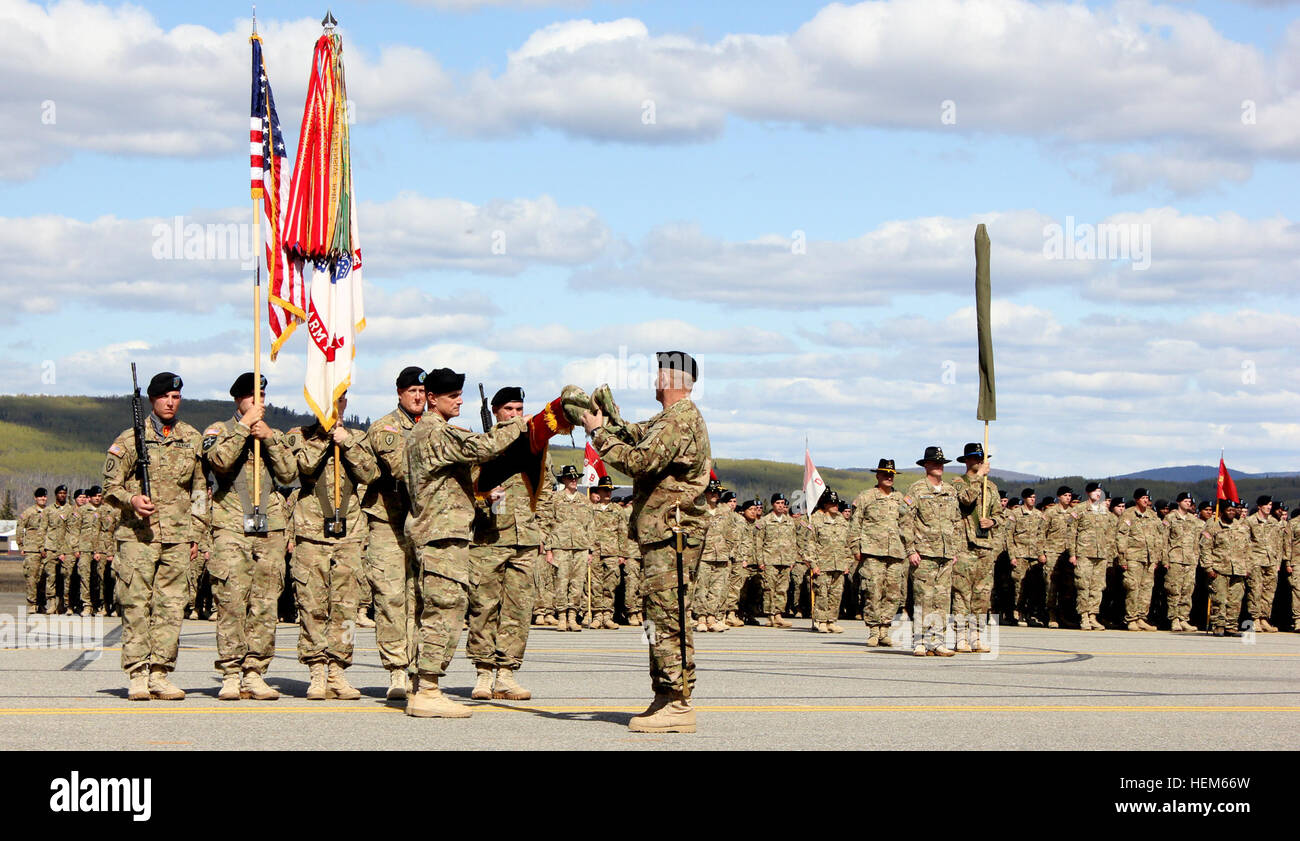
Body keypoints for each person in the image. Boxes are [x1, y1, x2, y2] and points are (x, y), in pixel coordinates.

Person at [582, 350, 712, 733]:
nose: (655, 380)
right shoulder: (667, 419)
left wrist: (598, 434)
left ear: (673, 378)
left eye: (659, 373)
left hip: (674, 534)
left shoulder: (682, 419)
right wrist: (611, 420)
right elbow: (638, 435)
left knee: (670, 615)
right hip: (660, 533)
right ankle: (664, 693)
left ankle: (679, 701)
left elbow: (640, 461)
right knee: (656, 615)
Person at [403, 367, 529, 718]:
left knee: (432, 609)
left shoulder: (421, 432)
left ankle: (421, 687)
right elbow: (483, 446)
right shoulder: (435, 433)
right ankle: (428, 689)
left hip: (436, 532)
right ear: (432, 399)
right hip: (442, 535)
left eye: (460, 395)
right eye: (452, 396)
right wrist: (518, 426)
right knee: (444, 609)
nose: (459, 401)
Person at [101, 371, 206, 701]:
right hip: (137, 537)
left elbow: (201, 489)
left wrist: (197, 534)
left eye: (176, 397)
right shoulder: (131, 439)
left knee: (172, 607)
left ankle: (160, 672)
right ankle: (137, 673)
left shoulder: (192, 438)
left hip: (177, 536)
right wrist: (131, 500)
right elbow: (109, 487)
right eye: (165, 397)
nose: (170, 402)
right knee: (136, 603)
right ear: (152, 399)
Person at [202, 372, 299, 701]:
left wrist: (269, 438)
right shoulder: (220, 430)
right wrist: (244, 427)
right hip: (231, 524)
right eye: (253, 397)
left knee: (265, 602)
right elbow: (219, 462)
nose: (260, 403)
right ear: (238, 399)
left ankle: (255, 671)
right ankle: (230, 672)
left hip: (269, 526)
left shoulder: (275, 434)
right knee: (231, 599)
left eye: (263, 397)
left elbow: (289, 474)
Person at [288, 392, 380, 701]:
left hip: (349, 534)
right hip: (311, 533)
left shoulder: (358, 438)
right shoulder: (299, 436)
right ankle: (316, 670)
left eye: (339, 402)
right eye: (327, 402)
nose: (334, 407)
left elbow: (371, 473)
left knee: (347, 608)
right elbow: (302, 469)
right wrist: (326, 438)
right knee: (311, 606)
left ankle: (338, 670)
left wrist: (347, 442)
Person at [468, 385, 551, 701]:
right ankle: (484, 672)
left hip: (525, 539)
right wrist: (485, 498)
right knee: (484, 607)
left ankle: (506, 673)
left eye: (519, 410)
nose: (515, 416)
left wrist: (541, 532)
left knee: (518, 609)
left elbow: (543, 493)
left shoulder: (532, 447)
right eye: (508, 411)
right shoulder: (480, 447)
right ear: (497, 413)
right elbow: (464, 494)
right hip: (489, 538)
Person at [360, 366, 426, 699]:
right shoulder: (385, 428)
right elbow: (403, 467)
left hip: (424, 525)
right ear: (399, 393)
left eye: (422, 391)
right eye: (411, 390)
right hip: (389, 523)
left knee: (421, 599)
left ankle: (419, 668)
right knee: (391, 598)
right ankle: (397, 670)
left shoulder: (437, 427)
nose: (418, 396)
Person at [901, 447, 964, 656]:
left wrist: (954, 549)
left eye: (941, 463)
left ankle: (937, 641)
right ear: (926, 465)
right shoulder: (917, 490)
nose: (939, 466)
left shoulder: (950, 490)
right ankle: (919, 640)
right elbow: (905, 521)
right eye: (935, 463)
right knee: (923, 598)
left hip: (945, 554)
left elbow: (956, 521)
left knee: (942, 599)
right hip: (924, 553)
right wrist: (911, 550)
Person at [850, 459, 908, 647]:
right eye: (885, 473)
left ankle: (885, 629)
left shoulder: (900, 498)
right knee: (872, 591)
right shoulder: (866, 497)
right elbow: (855, 524)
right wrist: (855, 548)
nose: (889, 477)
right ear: (877, 475)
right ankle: (874, 630)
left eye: (891, 474)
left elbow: (907, 524)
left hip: (896, 553)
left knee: (893, 594)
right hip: (872, 552)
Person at [948, 443, 1000, 651]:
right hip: (964, 546)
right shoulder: (958, 482)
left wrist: (993, 522)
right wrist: (979, 476)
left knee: (982, 594)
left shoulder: (992, 487)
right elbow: (966, 500)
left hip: (985, 546)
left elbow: (1001, 514)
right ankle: (960, 635)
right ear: (967, 461)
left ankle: (976, 634)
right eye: (975, 458)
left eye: (982, 458)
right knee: (962, 593)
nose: (979, 461)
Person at [542, 464, 594, 632]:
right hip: (560, 546)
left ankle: (573, 616)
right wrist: (548, 549)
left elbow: (590, 526)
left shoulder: (584, 501)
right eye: (570, 478)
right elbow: (548, 523)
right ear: (563, 480)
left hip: (580, 547)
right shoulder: (555, 499)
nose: (573, 480)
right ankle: (562, 616)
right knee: (561, 582)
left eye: (575, 478)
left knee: (578, 583)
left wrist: (590, 550)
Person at [1200, 502, 1250, 636]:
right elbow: (1205, 548)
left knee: (1235, 600)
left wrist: (1248, 567)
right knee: (1219, 599)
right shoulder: (1213, 528)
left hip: (1238, 569)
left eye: (1234, 510)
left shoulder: (1241, 528)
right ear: (1222, 512)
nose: (1232, 512)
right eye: (1229, 510)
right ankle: (1218, 625)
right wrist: (1208, 567)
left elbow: (1247, 549)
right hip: (1219, 569)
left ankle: (1231, 626)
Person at [1070, 482, 1115, 630]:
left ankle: (1093, 616)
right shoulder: (1079, 509)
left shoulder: (1105, 512)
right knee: (1083, 585)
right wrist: (1072, 554)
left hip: (1101, 555)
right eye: (1096, 491)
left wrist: (1109, 554)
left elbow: (1110, 534)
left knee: (1098, 587)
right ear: (1088, 492)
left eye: (1100, 491)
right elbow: (1071, 533)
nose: (1098, 493)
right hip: (1084, 553)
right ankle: (1083, 616)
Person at [1117, 488, 1162, 631]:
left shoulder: (1152, 516)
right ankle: (1131, 618)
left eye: (1147, 498)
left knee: (1146, 589)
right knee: (1132, 588)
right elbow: (1121, 537)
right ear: (1137, 499)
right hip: (1133, 557)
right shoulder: (1128, 514)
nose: (1145, 500)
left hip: (1149, 558)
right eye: (1143, 497)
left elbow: (1158, 537)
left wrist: (1156, 557)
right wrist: (1122, 558)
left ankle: (1142, 618)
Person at [809, 489, 852, 633]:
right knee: (822, 593)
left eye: (836, 503)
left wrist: (847, 563)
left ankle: (831, 621)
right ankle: (820, 621)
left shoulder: (842, 521)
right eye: (831, 503)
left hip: (839, 564)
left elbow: (848, 544)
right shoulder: (816, 520)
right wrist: (813, 564)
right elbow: (810, 544)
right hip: (823, 563)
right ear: (825, 505)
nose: (835, 506)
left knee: (836, 594)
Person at [697, 486, 737, 632]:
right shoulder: (699, 509)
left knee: (717, 588)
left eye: (718, 492)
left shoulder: (725, 511)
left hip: (721, 555)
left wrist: (728, 550)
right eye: (712, 492)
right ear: (705, 493)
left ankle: (712, 618)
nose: (715, 495)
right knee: (701, 588)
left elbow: (732, 533)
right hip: (703, 555)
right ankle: (701, 618)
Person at [588, 476, 624, 630]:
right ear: (599, 491)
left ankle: (607, 615)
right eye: (605, 490)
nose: (608, 493)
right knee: (595, 584)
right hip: (595, 551)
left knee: (610, 585)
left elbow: (623, 532)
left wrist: (622, 554)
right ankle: (597, 616)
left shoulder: (617, 510)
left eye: (609, 490)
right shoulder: (591, 509)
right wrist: (588, 550)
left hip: (612, 552)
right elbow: (587, 530)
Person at [756, 493, 797, 628]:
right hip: (769, 559)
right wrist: (760, 561)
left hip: (785, 560)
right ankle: (770, 615)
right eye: (778, 503)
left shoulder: (789, 521)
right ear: (773, 504)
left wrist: (792, 560)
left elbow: (793, 541)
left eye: (783, 503)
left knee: (782, 588)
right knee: (769, 588)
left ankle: (778, 614)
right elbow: (759, 542)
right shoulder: (765, 521)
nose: (781, 506)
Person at [1006, 488, 1046, 626]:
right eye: (1030, 497)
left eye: (1034, 497)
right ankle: (1018, 612)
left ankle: (1029, 614)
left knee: (1033, 587)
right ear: (1024, 499)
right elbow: (1009, 536)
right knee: (1019, 585)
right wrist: (1012, 556)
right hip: (1020, 554)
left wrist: (1041, 553)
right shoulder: (1015, 514)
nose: (1032, 500)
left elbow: (1041, 536)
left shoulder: (1039, 515)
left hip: (1034, 556)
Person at [1162, 492, 1201, 631]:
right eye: (1185, 501)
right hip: (1175, 559)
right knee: (1174, 589)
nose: (1188, 503)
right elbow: (1164, 539)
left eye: (1189, 501)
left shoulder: (1193, 520)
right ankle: (1174, 619)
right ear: (1179, 502)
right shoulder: (1170, 518)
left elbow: (1197, 541)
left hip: (1190, 560)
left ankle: (1184, 618)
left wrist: (1196, 558)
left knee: (1187, 590)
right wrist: (1165, 559)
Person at [1244, 495, 1281, 632]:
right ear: (1259, 506)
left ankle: (1264, 618)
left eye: (1270, 505)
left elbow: (1278, 543)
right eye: (1266, 504)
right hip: (1256, 561)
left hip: (1271, 561)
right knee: (1255, 591)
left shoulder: (1274, 522)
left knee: (1269, 592)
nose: (1269, 507)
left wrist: (1277, 562)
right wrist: (1248, 563)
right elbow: (1246, 544)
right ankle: (1255, 619)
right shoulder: (1250, 521)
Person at [42, 485, 74, 615]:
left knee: (67, 576)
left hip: (66, 548)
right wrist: (41, 547)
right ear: (56, 494)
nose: (62, 495)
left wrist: (70, 548)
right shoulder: (48, 510)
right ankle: (52, 603)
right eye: (60, 493)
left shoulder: (70, 510)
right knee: (51, 576)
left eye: (64, 493)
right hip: (51, 547)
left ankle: (64, 603)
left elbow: (72, 530)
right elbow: (42, 529)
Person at [19, 488, 48, 614]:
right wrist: (21, 546)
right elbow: (20, 528)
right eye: (40, 497)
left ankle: (42, 603)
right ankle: (32, 603)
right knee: (32, 577)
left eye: (44, 497)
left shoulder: (49, 512)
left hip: (46, 548)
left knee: (44, 578)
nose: (43, 499)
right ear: (35, 498)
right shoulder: (29, 512)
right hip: (32, 549)